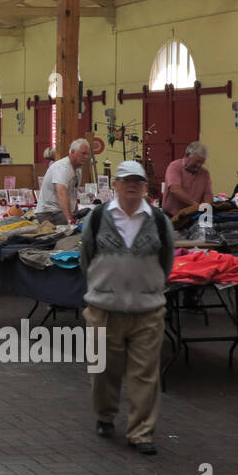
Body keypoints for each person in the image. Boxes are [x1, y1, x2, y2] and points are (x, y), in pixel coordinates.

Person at [80, 160, 176, 456]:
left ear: (145, 186)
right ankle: (105, 415)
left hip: (147, 311)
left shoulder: (159, 221)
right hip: (103, 309)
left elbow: (167, 262)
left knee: (145, 373)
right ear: (116, 185)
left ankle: (141, 432)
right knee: (102, 371)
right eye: (126, 180)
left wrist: (146, 287)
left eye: (138, 181)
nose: (132, 185)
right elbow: (86, 257)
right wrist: (104, 286)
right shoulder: (97, 218)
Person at [35, 138, 92, 226]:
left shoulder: (77, 171)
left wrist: (76, 214)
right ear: (72, 152)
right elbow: (61, 193)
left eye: (88, 154)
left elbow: (73, 194)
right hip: (50, 213)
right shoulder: (62, 167)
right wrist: (70, 220)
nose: (87, 157)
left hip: (60, 212)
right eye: (83, 153)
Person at [162, 141, 213, 211]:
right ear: (187, 155)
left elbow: (208, 194)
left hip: (192, 214)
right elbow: (175, 189)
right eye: (197, 161)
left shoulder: (205, 173)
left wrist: (206, 207)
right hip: (171, 216)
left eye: (202, 162)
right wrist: (195, 205)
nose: (199, 165)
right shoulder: (174, 166)